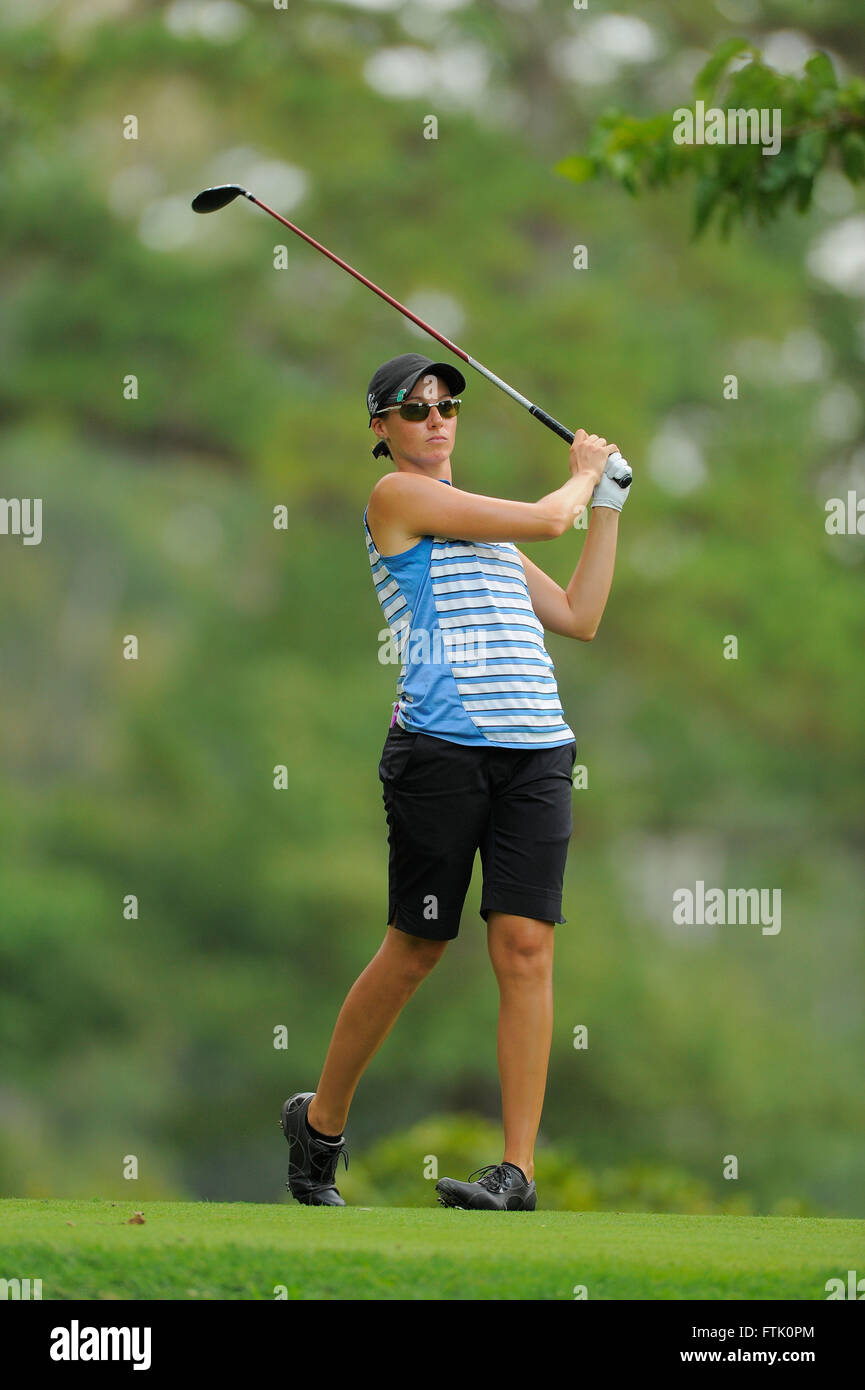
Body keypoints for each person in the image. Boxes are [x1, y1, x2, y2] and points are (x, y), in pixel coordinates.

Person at [281, 352, 631, 1210]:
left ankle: (516, 1173)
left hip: (538, 753)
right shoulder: (396, 501)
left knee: (526, 948)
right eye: (412, 409)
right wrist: (582, 477)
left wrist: (610, 506)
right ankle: (320, 1124)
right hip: (440, 753)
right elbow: (550, 520)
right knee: (416, 949)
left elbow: (580, 618)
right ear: (382, 430)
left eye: (445, 405)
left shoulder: (492, 543)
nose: (434, 419)